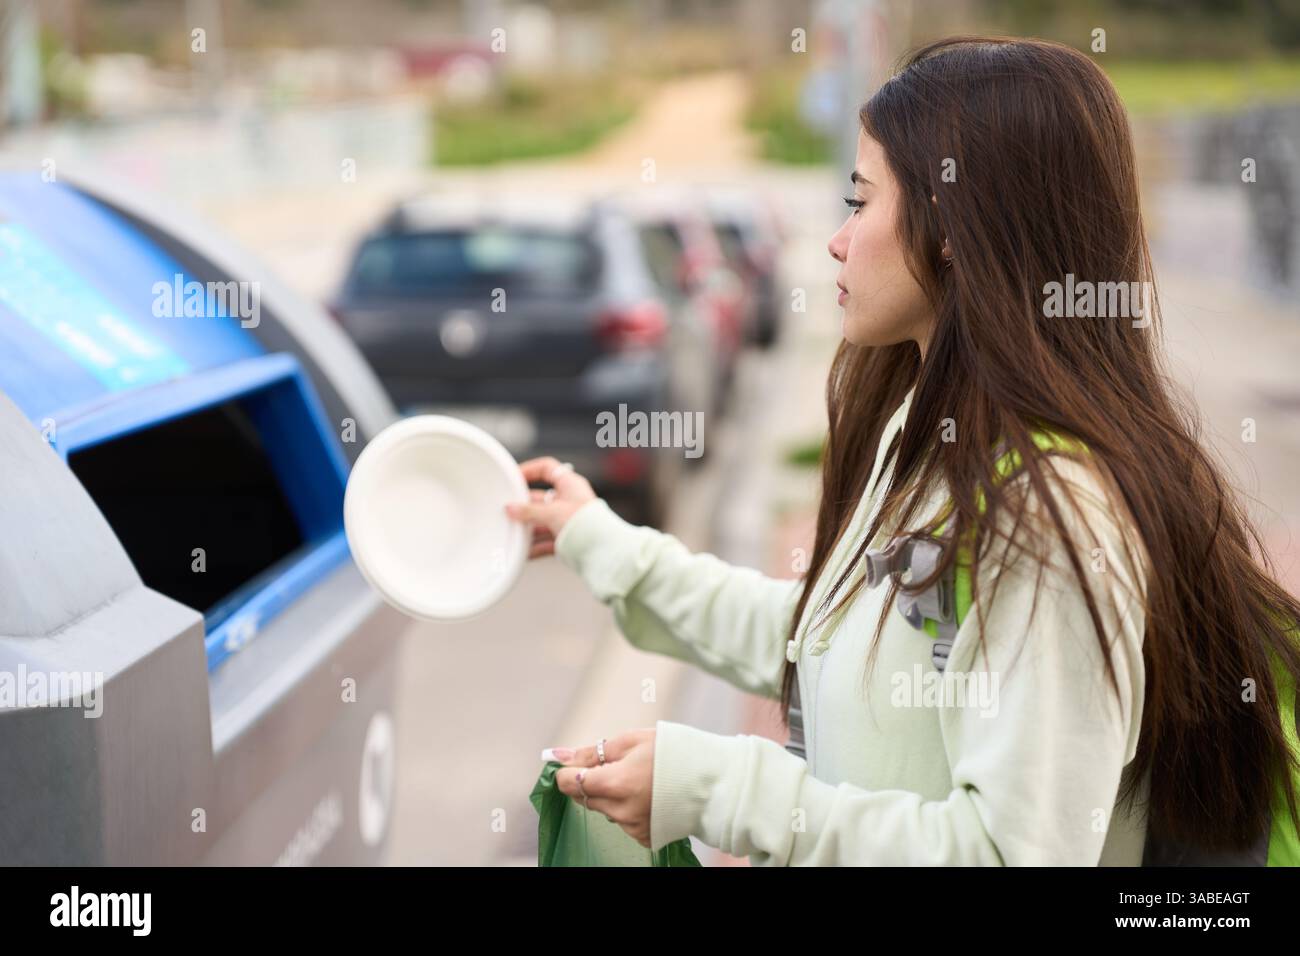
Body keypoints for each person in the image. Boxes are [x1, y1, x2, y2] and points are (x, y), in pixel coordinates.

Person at [504, 36, 1300, 866]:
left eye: (860, 200)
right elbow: (835, 633)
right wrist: (601, 545)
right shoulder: (929, 430)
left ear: (954, 228)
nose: (837, 241)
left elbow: (1005, 853)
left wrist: (725, 790)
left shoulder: (1052, 513)